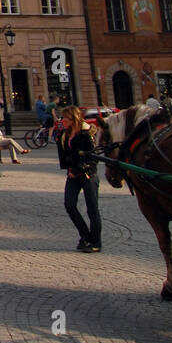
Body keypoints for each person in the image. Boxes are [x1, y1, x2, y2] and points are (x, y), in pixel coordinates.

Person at [57, 105, 102, 253]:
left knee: (92, 210)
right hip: (73, 174)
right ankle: (85, 235)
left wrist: (77, 170)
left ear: (73, 119)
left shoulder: (86, 134)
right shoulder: (66, 133)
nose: (62, 120)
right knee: (69, 205)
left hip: (88, 175)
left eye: (65, 118)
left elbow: (92, 158)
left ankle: (95, 242)